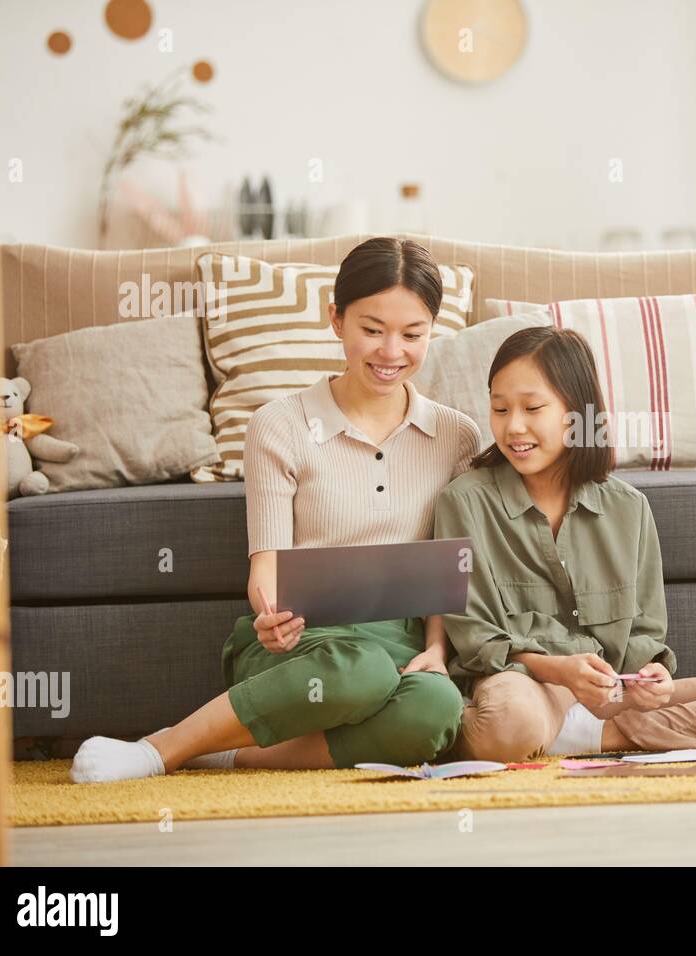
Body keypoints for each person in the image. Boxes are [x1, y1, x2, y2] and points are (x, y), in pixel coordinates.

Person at [70, 238, 478, 782]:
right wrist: (271, 613)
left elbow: (449, 562)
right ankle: (161, 749)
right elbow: (267, 562)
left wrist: (434, 648)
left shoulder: (455, 435)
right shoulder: (278, 425)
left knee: (436, 711)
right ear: (336, 319)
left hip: (402, 643)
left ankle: (226, 753)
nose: (390, 352)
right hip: (305, 640)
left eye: (412, 333)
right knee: (359, 673)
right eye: (372, 329)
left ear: (433, 329)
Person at [434, 325, 696, 762]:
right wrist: (562, 671)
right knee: (510, 723)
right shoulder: (464, 502)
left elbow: (645, 634)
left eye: (532, 408)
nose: (513, 426)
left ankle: (588, 735)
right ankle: (588, 733)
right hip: (525, 684)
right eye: (500, 409)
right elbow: (478, 640)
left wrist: (652, 677)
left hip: (615, 695)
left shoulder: (628, 508)